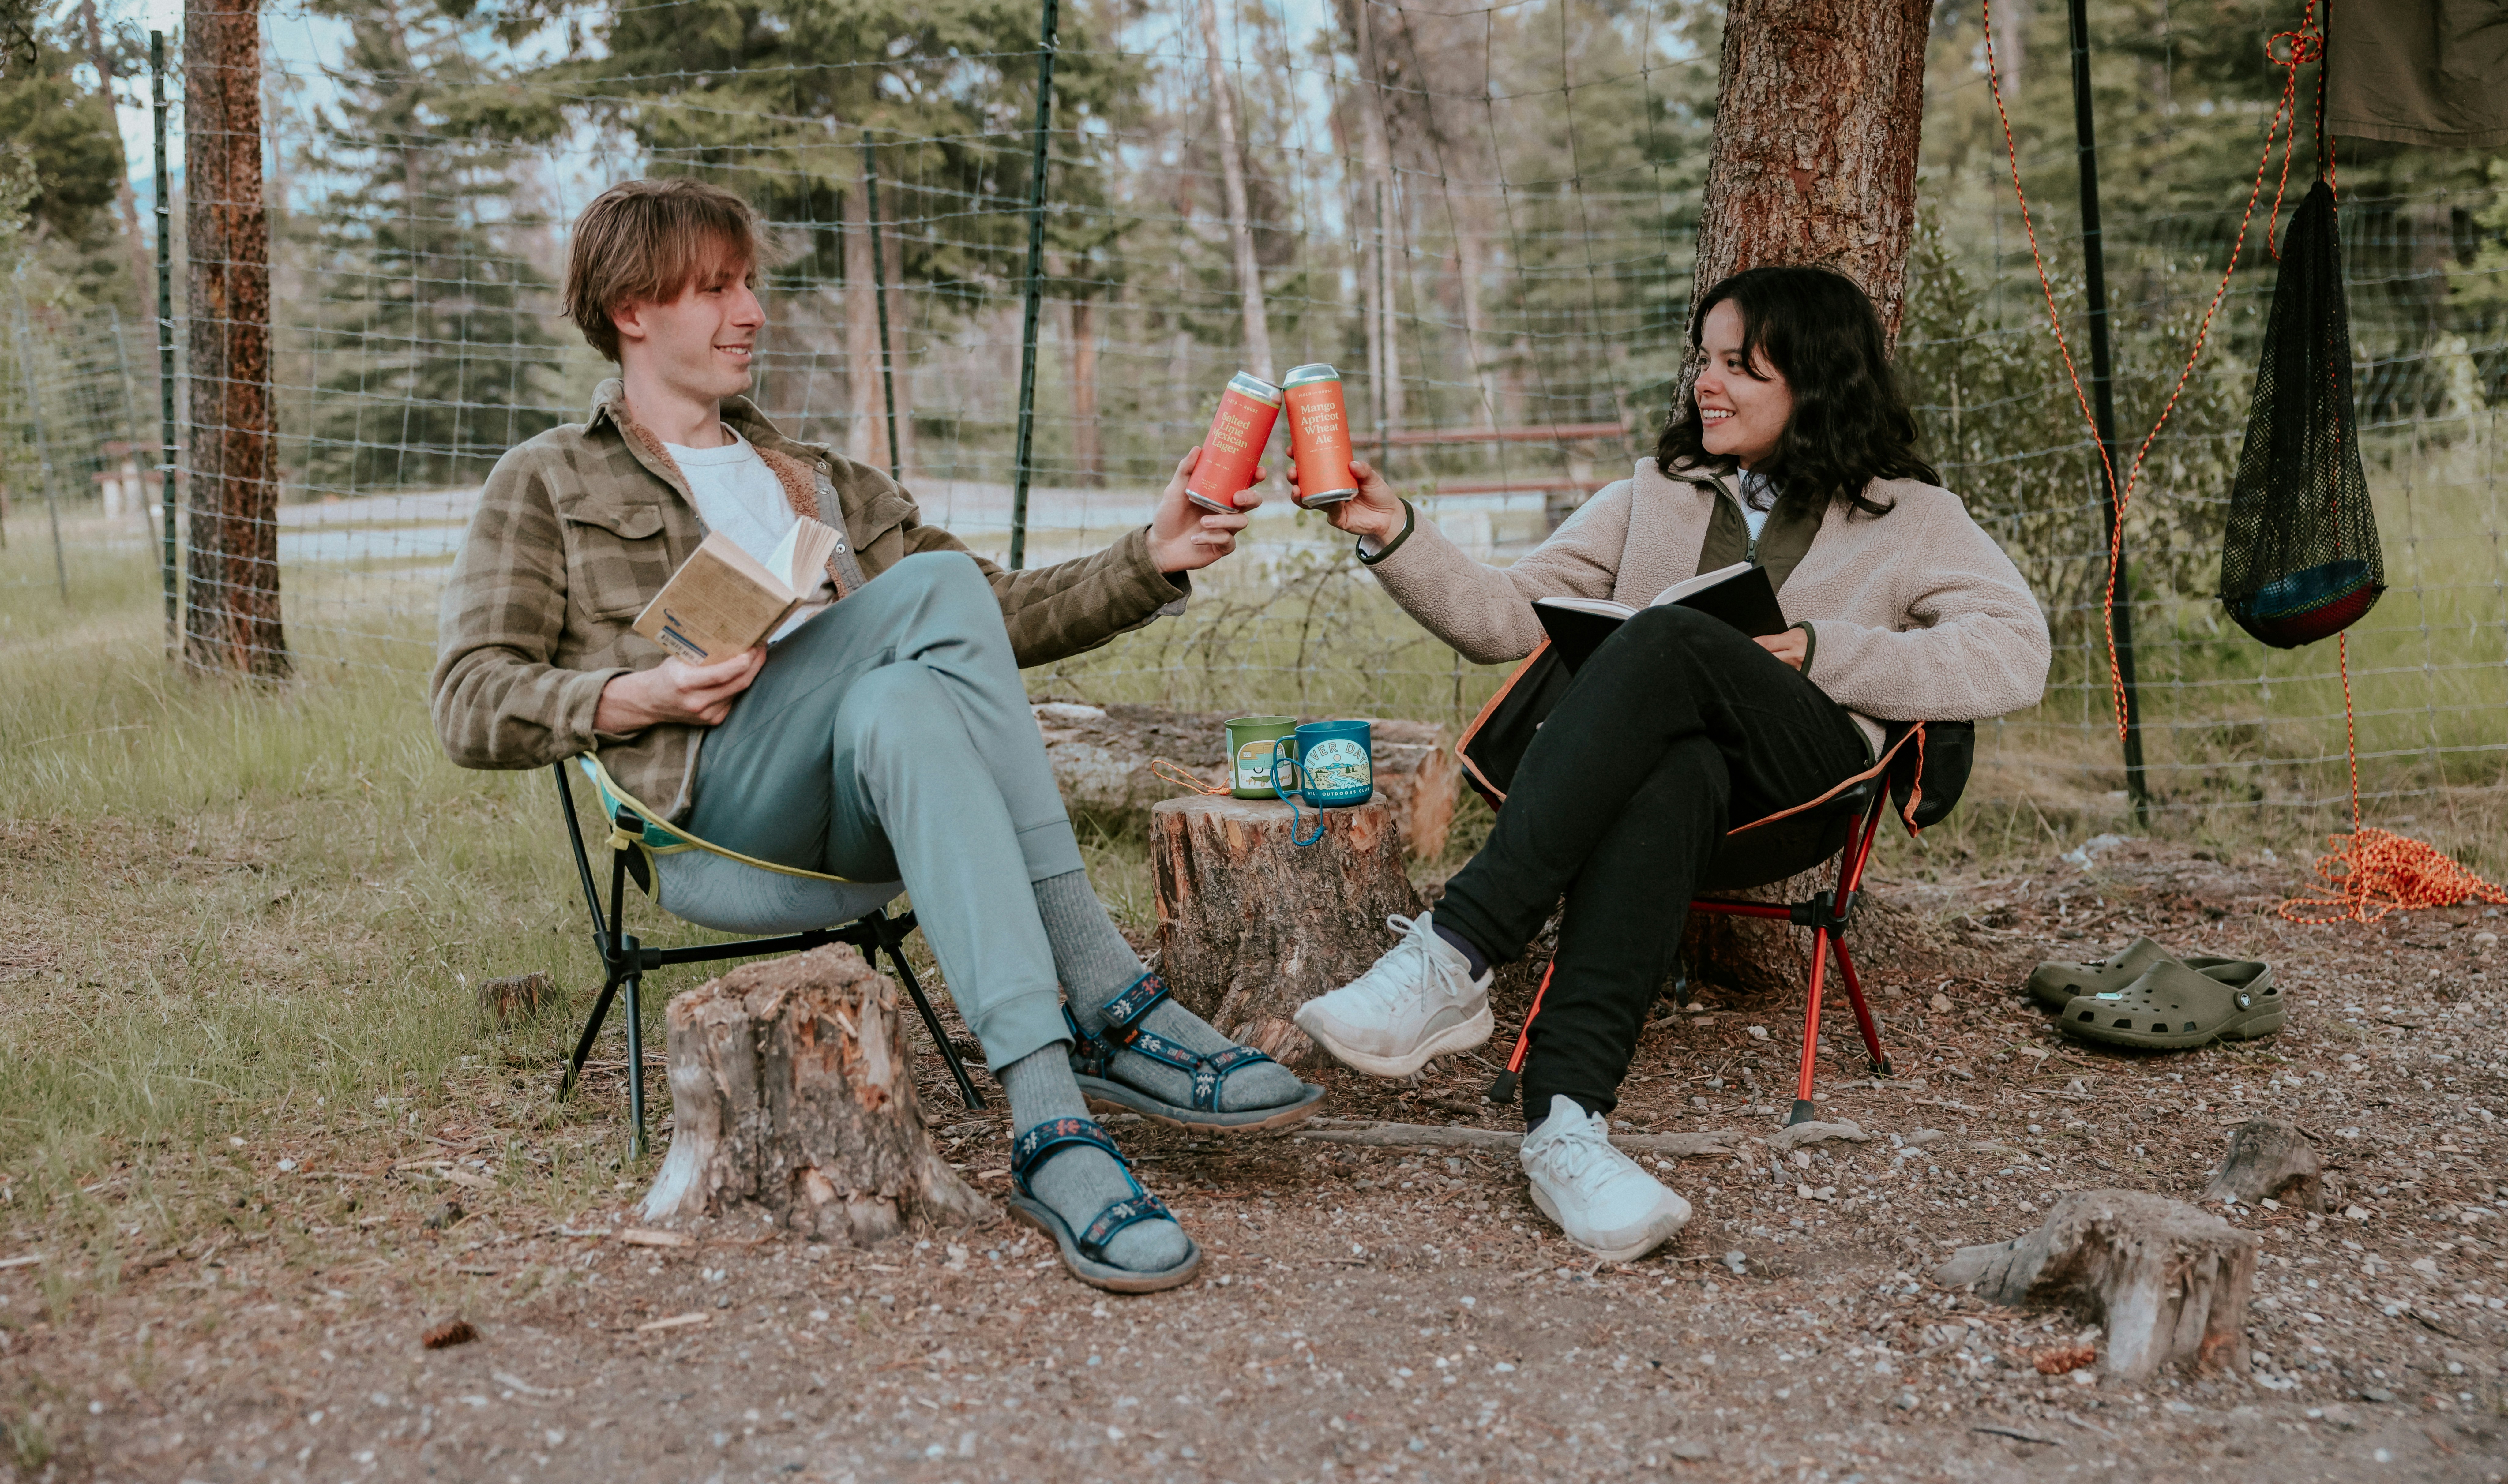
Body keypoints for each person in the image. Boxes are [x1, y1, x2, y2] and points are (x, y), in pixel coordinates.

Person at [432, 177, 1320, 1294]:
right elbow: (468, 698)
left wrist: (1153, 557)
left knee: (903, 691)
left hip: (865, 823)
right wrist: (636, 695)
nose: (750, 310)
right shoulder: (548, 481)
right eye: (714, 289)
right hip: (715, 827)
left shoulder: (820, 480)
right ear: (631, 309)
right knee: (929, 594)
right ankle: (1107, 999)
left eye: (750, 283)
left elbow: (984, 615)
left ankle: (1050, 1128)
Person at [1292, 264, 2049, 1262]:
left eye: (1742, 366)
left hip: (1803, 784)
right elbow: (1502, 620)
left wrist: (1824, 650)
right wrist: (1393, 533)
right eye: (1706, 358)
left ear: (1816, 383)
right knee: (1673, 762)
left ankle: (1458, 949)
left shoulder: (1909, 517)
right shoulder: (1650, 497)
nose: (1708, 382)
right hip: (1674, 802)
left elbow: (2014, 651)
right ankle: (1568, 1128)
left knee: (1663, 638)